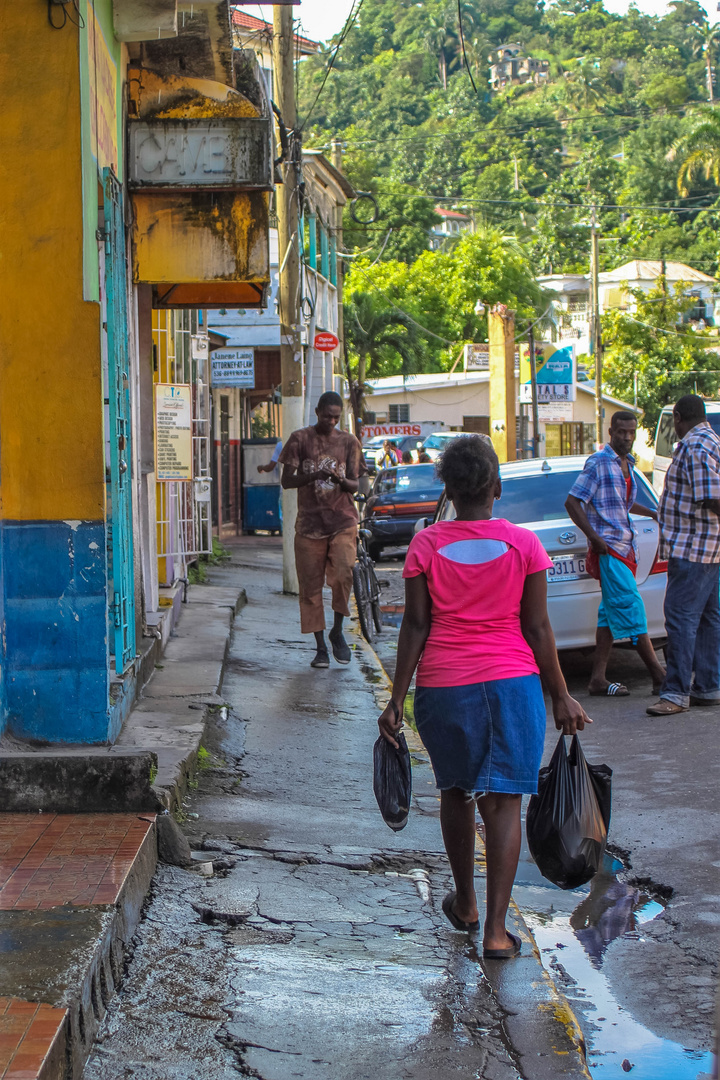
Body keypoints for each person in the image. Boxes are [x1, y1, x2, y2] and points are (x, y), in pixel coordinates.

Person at [377, 436, 589, 957]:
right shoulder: (525, 545)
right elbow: (537, 627)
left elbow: (416, 627)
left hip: (444, 688)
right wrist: (561, 696)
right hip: (513, 685)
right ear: (496, 488)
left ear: (447, 489)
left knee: (455, 791)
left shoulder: (426, 545)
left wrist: (394, 699)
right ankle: (496, 932)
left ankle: (466, 903)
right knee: (502, 804)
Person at [565, 412, 666, 697]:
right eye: (622, 432)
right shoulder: (598, 463)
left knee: (609, 615)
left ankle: (597, 679)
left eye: (631, 432)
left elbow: (622, 504)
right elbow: (572, 502)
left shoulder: (629, 464)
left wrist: (652, 513)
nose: (627, 437)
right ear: (611, 432)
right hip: (609, 549)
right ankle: (659, 675)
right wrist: (594, 538)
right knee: (632, 609)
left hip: (626, 548)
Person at [279, 392, 366, 669]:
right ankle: (320, 649)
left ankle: (337, 630)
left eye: (336, 417)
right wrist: (314, 475)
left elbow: (357, 485)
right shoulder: (300, 439)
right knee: (310, 589)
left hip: (342, 521)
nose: (331, 421)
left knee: (343, 574)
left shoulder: (349, 442)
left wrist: (341, 480)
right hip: (309, 526)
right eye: (326, 415)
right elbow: (286, 481)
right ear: (316, 412)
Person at [647, 394, 720, 716]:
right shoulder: (711, 440)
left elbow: (712, 496)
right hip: (706, 547)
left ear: (677, 417)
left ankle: (676, 693)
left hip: (693, 548)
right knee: (707, 619)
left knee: (680, 619)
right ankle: (708, 686)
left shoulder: (694, 446)